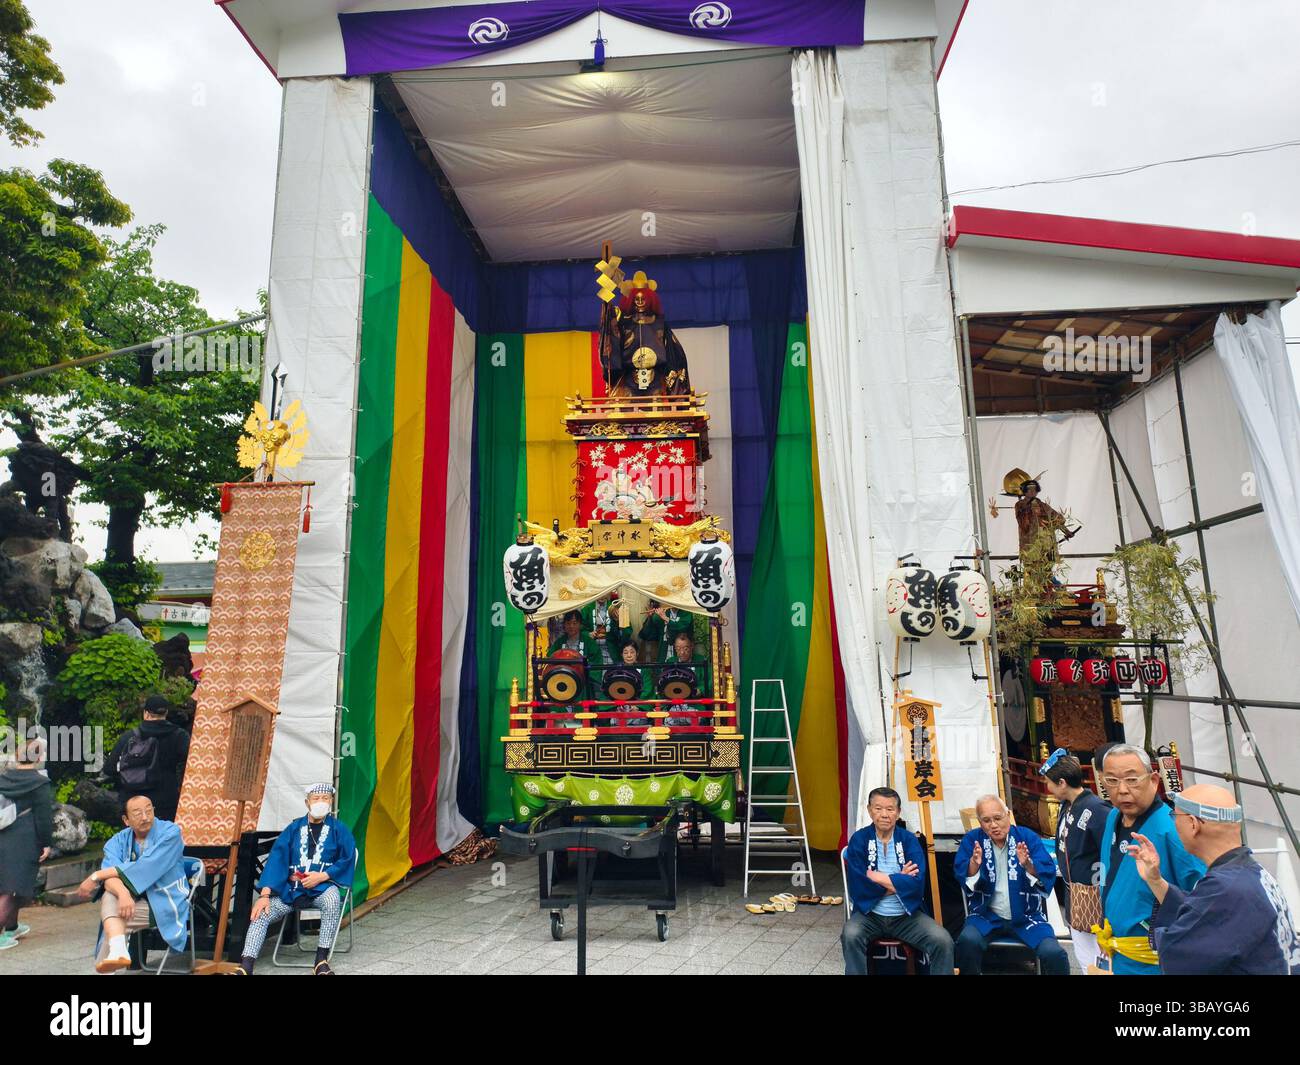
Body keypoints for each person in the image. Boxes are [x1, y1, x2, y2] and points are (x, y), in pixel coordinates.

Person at [1131, 785, 1299, 975]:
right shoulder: (1251, 872)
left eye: (1175, 816)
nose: (1174, 823)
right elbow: (1206, 916)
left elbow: (1177, 957)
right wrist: (1155, 880)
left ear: (1193, 824)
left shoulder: (1224, 889)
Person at [1095, 744, 1204, 975]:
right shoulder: (1113, 817)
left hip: (1153, 961)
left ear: (1154, 780)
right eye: (1112, 781)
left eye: (1132, 780)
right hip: (1115, 953)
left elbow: (1202, 896)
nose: (1122, 790)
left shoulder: (1171, 828)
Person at [236, 783, 356, 976]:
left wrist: (323, 876)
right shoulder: (293, 829)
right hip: (291, 891)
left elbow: (348, 858)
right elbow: (277, 860)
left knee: (333, 900)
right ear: (307, 803)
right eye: (316, 799)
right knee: (261, 912)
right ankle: (246, 965)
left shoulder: (339, 830)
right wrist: (265, 894)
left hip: (323, 887)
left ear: (331, 801)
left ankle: (321, 960)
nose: (321, 802)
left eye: (325, 799)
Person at [841, 787, 954, 975]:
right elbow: (858, 885)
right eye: (878, 808)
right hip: (869, 915)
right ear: (869, 810)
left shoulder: (908, 840)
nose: (884, 814)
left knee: (942, 940)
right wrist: (900, 880)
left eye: (890, 809)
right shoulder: (859, 839)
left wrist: (877, 877)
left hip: (906, 916)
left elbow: (917, 883)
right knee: (850, 935)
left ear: (898, 812)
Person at [953, 794, 1069, 975]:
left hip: (1027, 916)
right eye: (986, 820)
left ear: (1008, 814)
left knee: (1054, 953)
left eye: (998, 818)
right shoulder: (973, 840)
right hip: (986, 916)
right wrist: (974, 864)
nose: (993, 825)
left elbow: (1047, 872)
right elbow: (961, 874)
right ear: (979, 822)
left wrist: (1028, 865)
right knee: (967, 942)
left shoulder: (1027, 837)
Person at [77, 794, 191, 973]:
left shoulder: (171, 833)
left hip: (164, 900)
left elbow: (146, 866)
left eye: (149, 810)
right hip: (129, 900)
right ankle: (118, 950)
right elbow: (110, 879)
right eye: (137, 813)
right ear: (126, 820)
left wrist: (96, 875)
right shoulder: (117, 841)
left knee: (113, 920)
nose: (145, 817)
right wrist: (123, 894)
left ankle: (117, 951)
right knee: (112, 897)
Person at [1041, 749, 1108, 970]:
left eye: (1049, 783)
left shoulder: (1096, 808)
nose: (1047, 788)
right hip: (1074, 892)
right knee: (1082, 952)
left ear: (1061, 783)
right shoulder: (1067, 805)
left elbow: (1108, 852)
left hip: (1094, 894)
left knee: (1099, 954)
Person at [597, 269, 691, 398]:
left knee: (656, 413)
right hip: (629, 379)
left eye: (643, 299)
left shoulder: (659, 323)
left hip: (655, 379)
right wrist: (609, 309)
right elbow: (612, 336)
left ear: (650, 299)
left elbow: (673, 351)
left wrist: (673, 374)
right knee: (630, 413)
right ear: (631, 300)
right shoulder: (624, 323)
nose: (640, 302)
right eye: (636, 299)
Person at [0, 737, 53, 950]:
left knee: (12, 886)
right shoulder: (39, 782)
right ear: (39, 757)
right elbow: (43, 817)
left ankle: (12, 927)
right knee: (10, 889)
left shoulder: (3, 777)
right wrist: (46, 843)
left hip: (3, 835)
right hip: (22, 839)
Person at [104, 694, 190, 821]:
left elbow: (109, 769)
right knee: (164, 838)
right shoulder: (179, 736)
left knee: (137, 839)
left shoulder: (129, 736)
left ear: (146, 713)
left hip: (134, 802)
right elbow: (191, 765)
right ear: (166, 712)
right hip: (167, 802)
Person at [662, 631, 710, 726]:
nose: (682, 652)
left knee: (696, 720)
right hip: (674, 704)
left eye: (686, 648)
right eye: (678, 649)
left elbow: (710, 681)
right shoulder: (671, 661)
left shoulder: (701, 660)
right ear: (675, 648)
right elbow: (663, 682)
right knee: (668, 722)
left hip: (695, 704)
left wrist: (700, 690)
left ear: (692, 647)